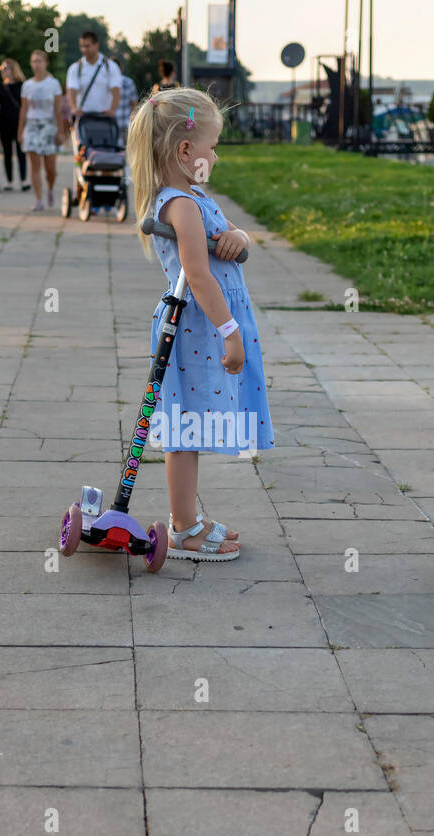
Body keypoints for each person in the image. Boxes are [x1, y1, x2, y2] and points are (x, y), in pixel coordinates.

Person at [126, 87, 273, 559]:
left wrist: (237, 235)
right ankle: (184, 527)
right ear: (186, 151)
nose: (216, 153)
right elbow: (197, 274)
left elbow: (233, 237)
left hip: (201, 326)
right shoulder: (181, 206)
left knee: (189, 426)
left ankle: (186, 519)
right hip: (197, 329)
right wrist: (230, 332)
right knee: (184, 429)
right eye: (211, 145)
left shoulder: (194, 196)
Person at [19, 49, 64, 211]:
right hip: (31, 125)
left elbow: (58, 110)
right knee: (34, 165)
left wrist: (61, 131)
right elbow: (23, 109)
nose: (36, 65)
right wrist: (20, 131)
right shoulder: (27, 85)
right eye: (33, 61)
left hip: (48, 125)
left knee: (50, 168)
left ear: (45, 63)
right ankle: (38, 199)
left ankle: (50, 188)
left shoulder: (54, 84)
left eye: (39, 61)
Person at [65, 30, 121, 157]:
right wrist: (74, 108)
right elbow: (71, 91)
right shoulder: (76, 68)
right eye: (82, 46)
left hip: (104, 119)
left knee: (107, 152)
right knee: (83, 153)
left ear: (96, 45)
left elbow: (116, 91)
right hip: (84, 119)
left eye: (87, 46)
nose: (84, 49)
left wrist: (112, 109)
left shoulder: (110, 67)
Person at [0, 58, 28, 191]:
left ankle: (24, 180)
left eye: (5, 68)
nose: (3, 71)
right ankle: (9, 181)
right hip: (4, 123)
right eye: (1, 69)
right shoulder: (1, 87)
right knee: (7, 153)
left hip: (19, 123)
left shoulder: (22, 86)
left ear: (13, 69)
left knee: (21, 153)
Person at [112, 57, 137, 147]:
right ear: (121, 67)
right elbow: (134, 105)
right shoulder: (128, 82)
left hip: (110, 123)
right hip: (126, 122)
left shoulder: (106, 84)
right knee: (128, 154)